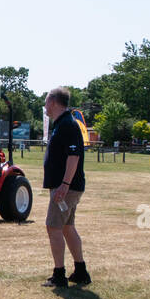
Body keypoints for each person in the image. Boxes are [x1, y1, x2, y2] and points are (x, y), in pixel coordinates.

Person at [41, 88, 90, 288]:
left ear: (53, 102)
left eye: (46, 101)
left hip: (66, 189)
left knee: (53, 226)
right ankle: (80, 272)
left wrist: (64, 185)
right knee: (67, 227)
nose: (44, 106)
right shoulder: (62, 124)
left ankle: (59, 275)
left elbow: (74, 156)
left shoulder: (68, 125)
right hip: (66, 187)